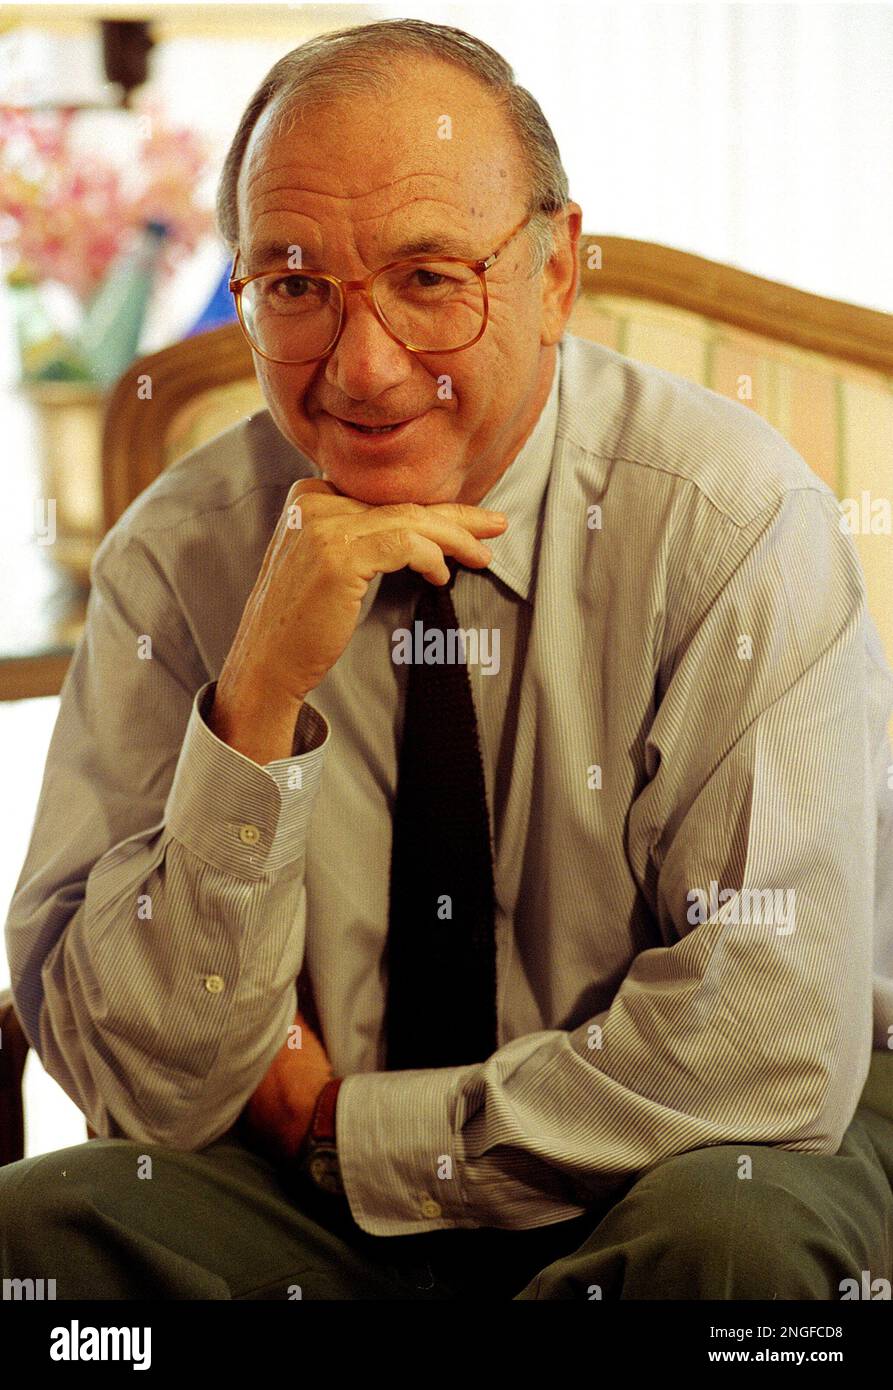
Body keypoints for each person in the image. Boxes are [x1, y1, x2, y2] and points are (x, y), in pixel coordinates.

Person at [2, 18, 892, 1301]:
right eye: (297, 286)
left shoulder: (729, 524)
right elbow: (143, 1086)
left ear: (555, 274)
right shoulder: (177, 554)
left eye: (429, 278)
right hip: (300, 1214)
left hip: (673, 1171)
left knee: (731, 1248)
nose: (361, 370)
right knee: (41, 1233)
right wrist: (250, 710)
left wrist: (344, 1127)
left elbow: (762, 1050)